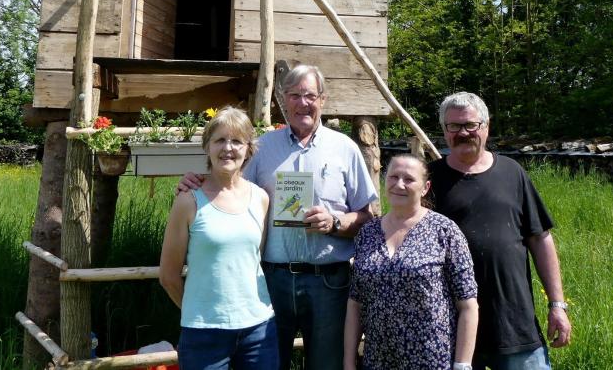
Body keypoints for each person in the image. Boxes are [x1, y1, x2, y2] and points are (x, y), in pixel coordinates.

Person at [178, 64, 378, 370]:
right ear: (283, 99)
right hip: (272, 279)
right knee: (270, 364)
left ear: (322, 99)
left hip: (329, 281)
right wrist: (195, 181)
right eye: (294, 95)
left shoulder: (345, 148)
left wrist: (335, 223)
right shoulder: (262, 148)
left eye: (310, 95)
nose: (302, 103)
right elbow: (228, 186)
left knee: (326, 365)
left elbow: (368, 217)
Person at [429, 92, 572, 370]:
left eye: (471, 125)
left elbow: (540, 238)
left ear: (486, 126)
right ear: (444, 131)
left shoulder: (511, 172)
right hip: (449, 327)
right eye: (454, 126)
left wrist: (557, 305)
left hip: (513, 323)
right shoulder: (428, 180)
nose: (463, 133)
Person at [159, 106, 278, 370]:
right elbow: (168, 276)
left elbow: (253, 260)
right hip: (204, 333)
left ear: (249, 149)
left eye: (237, 141)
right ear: (207, 147)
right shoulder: (188, 201)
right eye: (220, 140)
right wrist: (199, 311)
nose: (228, 148)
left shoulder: (261, 198)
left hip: (259, 328)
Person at [344, 154, 479, 370]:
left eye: (409, 179)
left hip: (432, 360)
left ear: (425, 187)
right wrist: (349, 362)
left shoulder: (444, 230)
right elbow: (356, 303)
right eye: (393, 177)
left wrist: (462, 365)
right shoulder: (368, 233)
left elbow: (468, 305)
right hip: (378, 360)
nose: (399, 184)